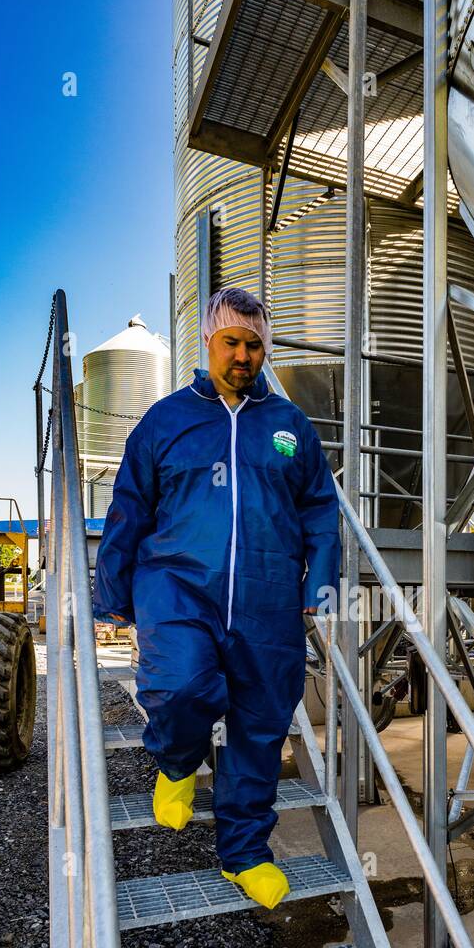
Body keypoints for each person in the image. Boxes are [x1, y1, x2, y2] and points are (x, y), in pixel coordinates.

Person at [92, 286, 341, 909]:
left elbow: (320, 509)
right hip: (177, 587)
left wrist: (321, 581)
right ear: (207, 342)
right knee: (179, 688)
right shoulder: (167, 421)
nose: (243, 355)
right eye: (232, 342)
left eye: (255, 345)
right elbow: (129, 507)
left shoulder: (289, 427)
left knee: (259, 728)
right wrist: (112, 589)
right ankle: (177, 764)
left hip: (267, 599)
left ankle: (245, 853)